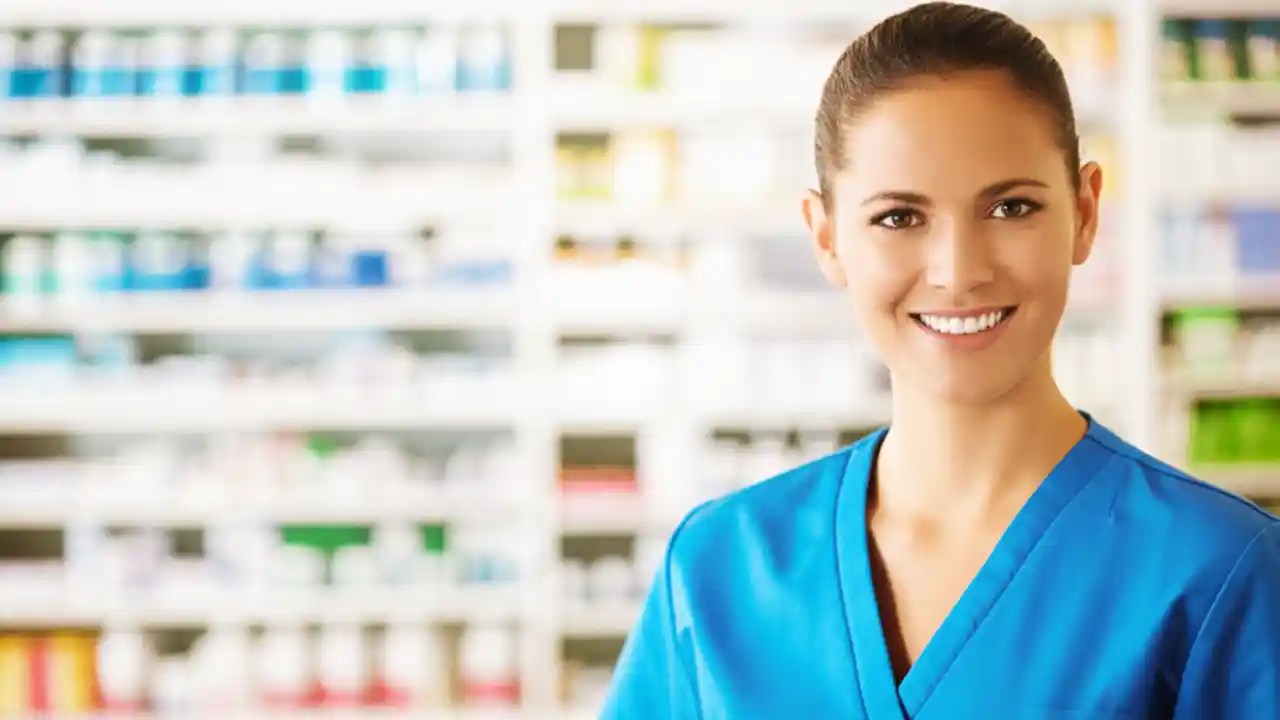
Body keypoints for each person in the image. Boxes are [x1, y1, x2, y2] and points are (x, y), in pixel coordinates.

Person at [600, 3, 1280, 718]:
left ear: (1085, 214)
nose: (958, 271)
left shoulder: (1217, 572)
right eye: (899, 217)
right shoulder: (718, 570)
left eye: (1011, 208)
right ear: (826, 236)